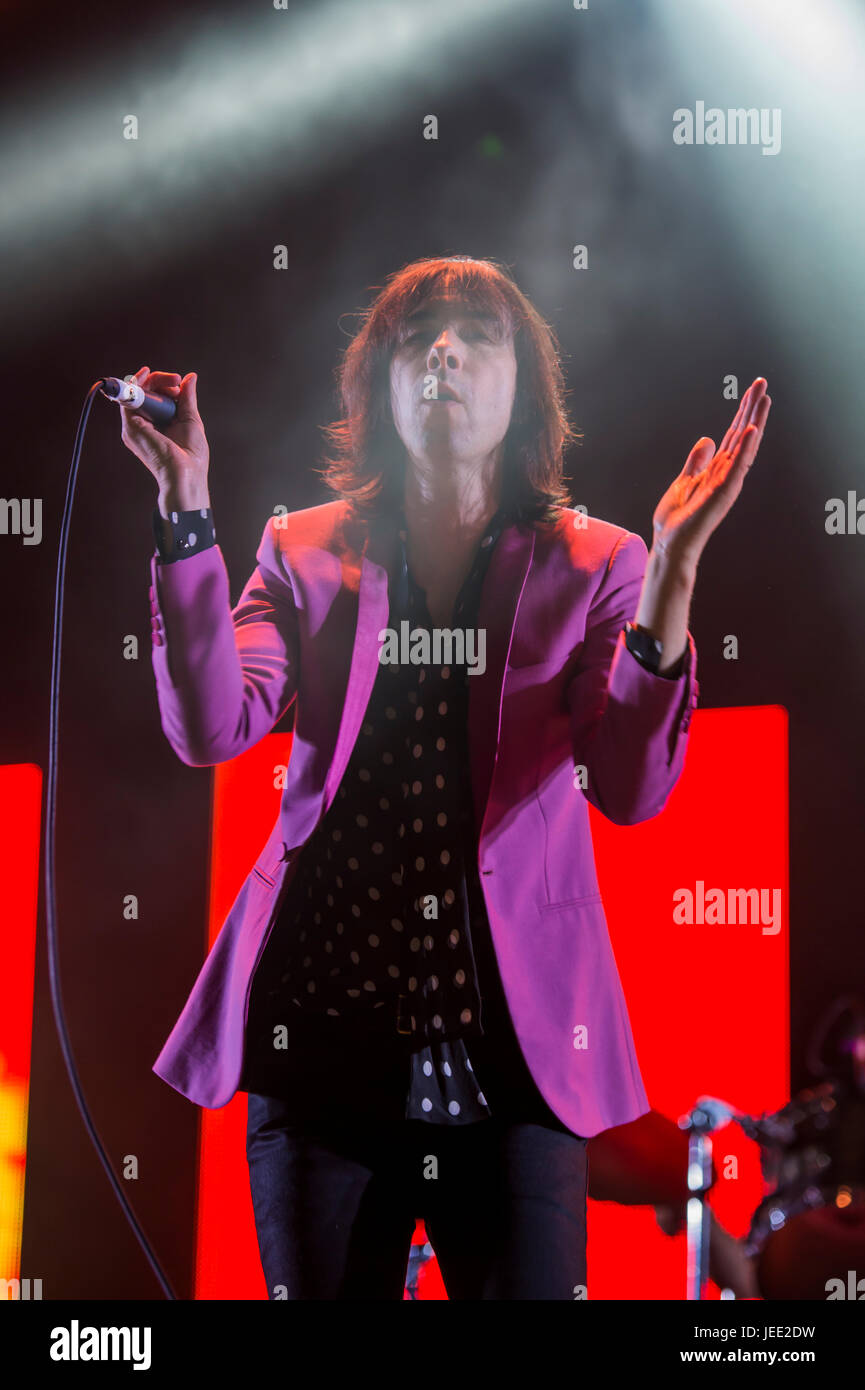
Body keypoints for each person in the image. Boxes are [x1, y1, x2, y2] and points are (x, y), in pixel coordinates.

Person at [120, 255, 771, 1299]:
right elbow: (210, 725)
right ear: (378, 383)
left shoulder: (596, 563)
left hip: (512, 1067)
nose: (444, 350)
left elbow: (632, 788)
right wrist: (185, 509)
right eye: (418, 333)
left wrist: (673, 572)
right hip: (319, 1056)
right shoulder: (301, 550)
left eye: (476, 331)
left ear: (524, 390)